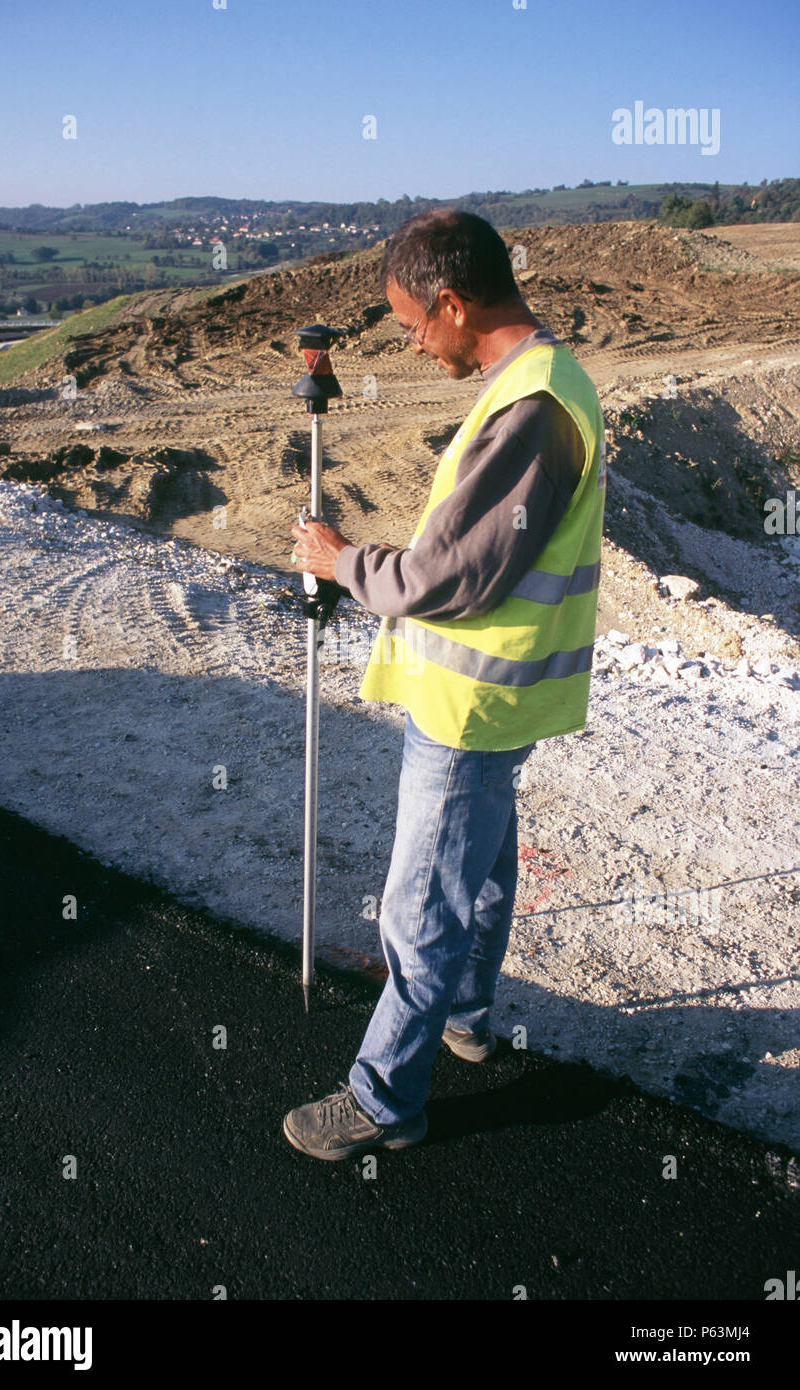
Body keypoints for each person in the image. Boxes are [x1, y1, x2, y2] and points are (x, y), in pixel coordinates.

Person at [283, 210, 605, 1161]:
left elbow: (447, 575)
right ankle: (465, 1015)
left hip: (472, 703)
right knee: (483, 870)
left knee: (420, 905)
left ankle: (385, 1100)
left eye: (415, 326)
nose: (416, 346)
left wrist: (344, 562)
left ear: (454, 304)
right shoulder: (541, 380)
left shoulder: (530, 408)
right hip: (496, 694)